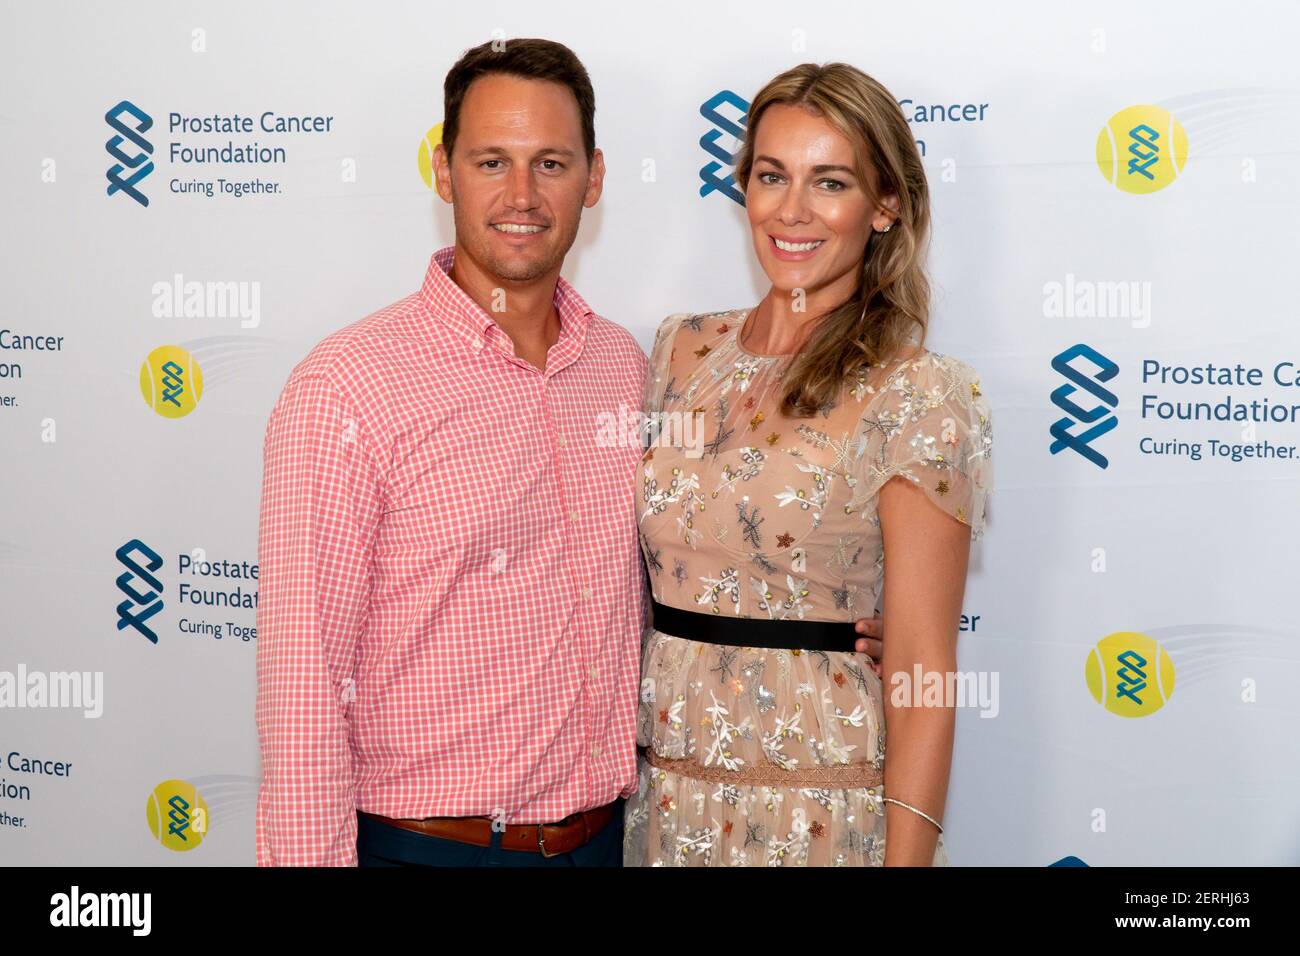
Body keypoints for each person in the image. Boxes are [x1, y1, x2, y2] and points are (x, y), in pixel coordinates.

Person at [254, 35, 893, 867]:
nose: (521, 195)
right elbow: (302, 686)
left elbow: (690, 551)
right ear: (444, 173)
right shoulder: (346, 387)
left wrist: (818, 626)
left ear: (593, 179)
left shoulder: (629, 370)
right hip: (425, 848)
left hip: (607, 840)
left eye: (550, 163)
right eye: (492, 162)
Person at [623, 61, 994, 867]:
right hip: (663, 801)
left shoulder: (916, 392)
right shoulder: (681, 350)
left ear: (885, 206)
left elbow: (925, 673)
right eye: (771, 176)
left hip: (818, 810)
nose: (792, 211)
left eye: (830, 182)